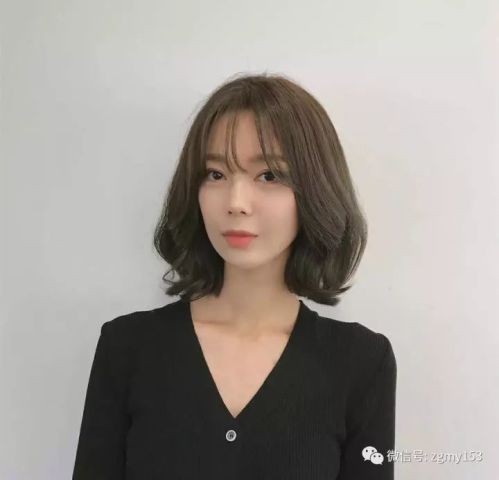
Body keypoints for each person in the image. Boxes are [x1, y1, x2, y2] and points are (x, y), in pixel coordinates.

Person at [72, 73, 397, 479]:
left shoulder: (361, 364)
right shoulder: (127, 349)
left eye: (269, 176)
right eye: (215, 174)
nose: (236, 202)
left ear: (314, 191)